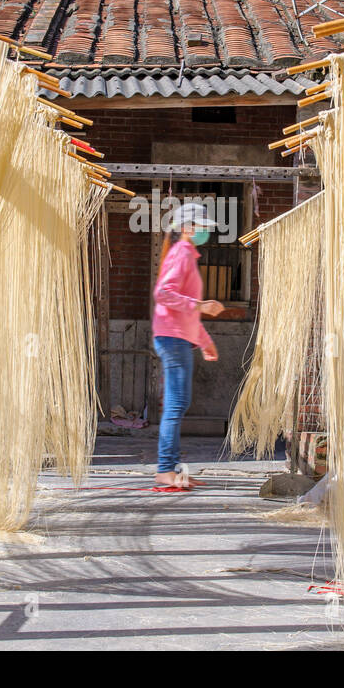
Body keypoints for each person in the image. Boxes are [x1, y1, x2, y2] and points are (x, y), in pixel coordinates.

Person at [152, 202, 224, 488]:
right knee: (176, 404)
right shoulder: (181, 253)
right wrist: (202, 305)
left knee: (176, 404)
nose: (205, 231)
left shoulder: (186, 254)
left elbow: (187, 311)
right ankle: (165, 471)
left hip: (177, 336)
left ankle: (171, 469)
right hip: (172, 338)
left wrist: (205, 341)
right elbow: (163, 294)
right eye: (201, 226)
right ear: (186, 228)